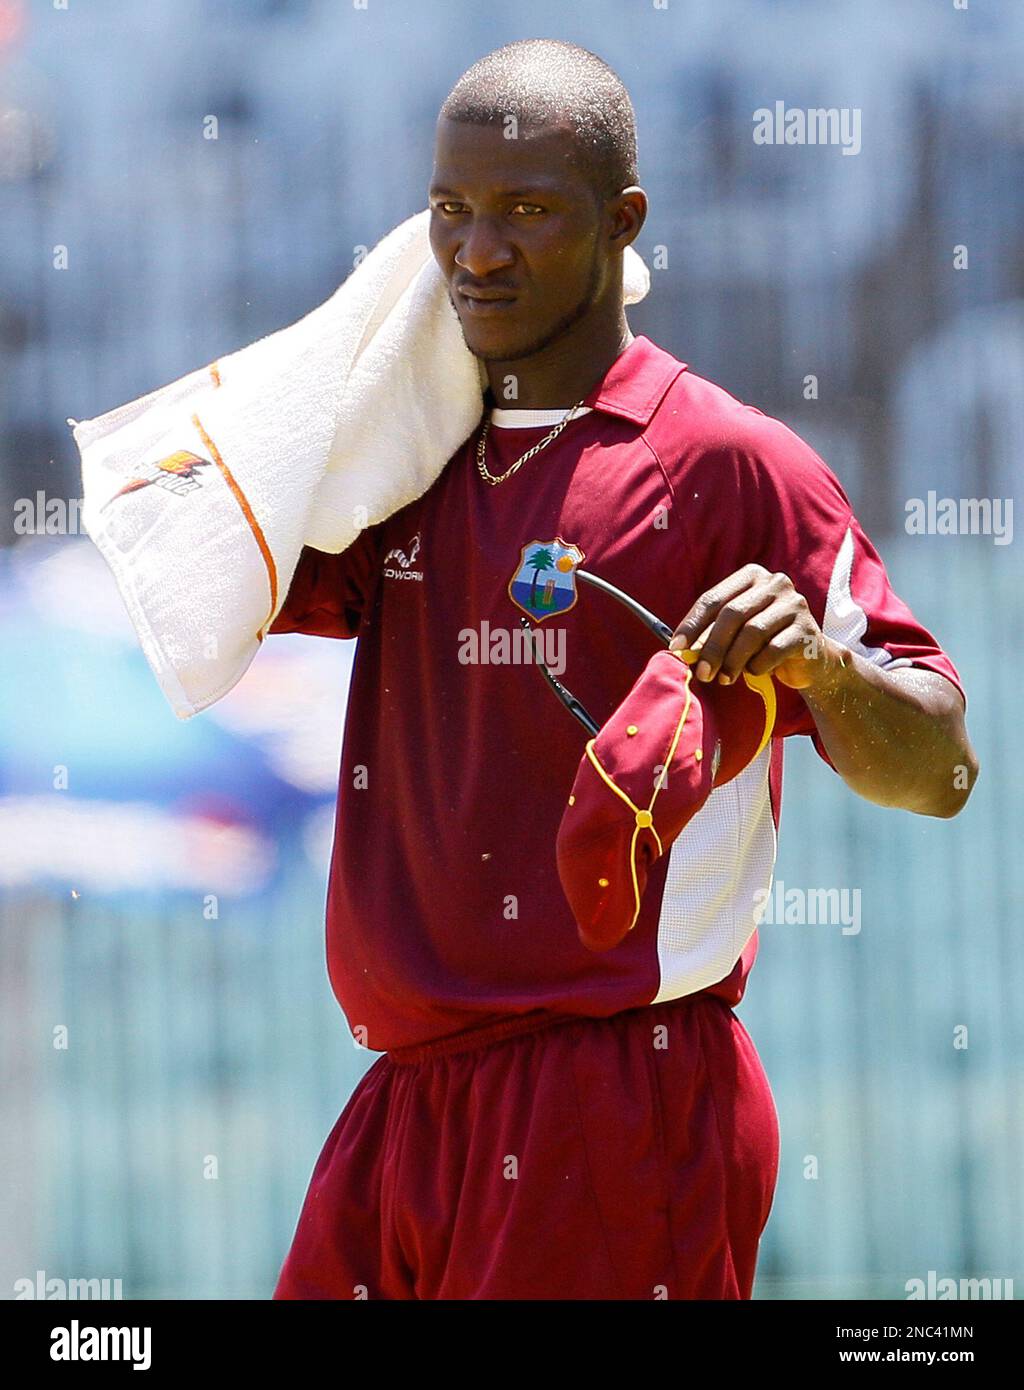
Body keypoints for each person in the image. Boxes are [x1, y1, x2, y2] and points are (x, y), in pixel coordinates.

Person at [269, 39, 977, 1300]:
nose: (477, 250)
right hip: (402, 1101)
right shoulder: (402, 459)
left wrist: (814, 665)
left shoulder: (725, 462)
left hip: (608, 1098)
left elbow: (940, 768)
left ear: (621, 222)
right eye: (451, 209)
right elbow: (195, 574)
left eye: (527, 210)